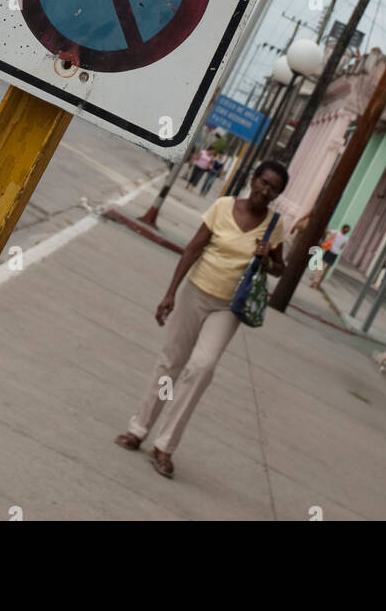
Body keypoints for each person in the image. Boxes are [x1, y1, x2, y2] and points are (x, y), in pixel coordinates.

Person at [115, 159, 289, 478]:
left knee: (202, 368)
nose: (266, 191)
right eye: (263, 182)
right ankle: (138, 429)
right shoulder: (223, 207)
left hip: (228, 307)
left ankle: (164, 446)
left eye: (273, 188)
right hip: (195, 292)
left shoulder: (274, 224)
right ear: (253, 179)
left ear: (278, 194)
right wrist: (170, 293)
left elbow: (281, 268)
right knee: (171, 363)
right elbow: (193, 248)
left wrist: (267, 260)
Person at [309, 223, 351, 291]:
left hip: (330, 252)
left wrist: (326, 227)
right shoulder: (345, 238)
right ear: (344, 229)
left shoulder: (336, 232)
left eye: (346, 230)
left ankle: (315, 282)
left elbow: (326, 231)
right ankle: (316, 283)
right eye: (346, 230)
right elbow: (341, 247)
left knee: (322, 268)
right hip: (334, 254)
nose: (346, 231)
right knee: (324, 269)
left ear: (342, 228)